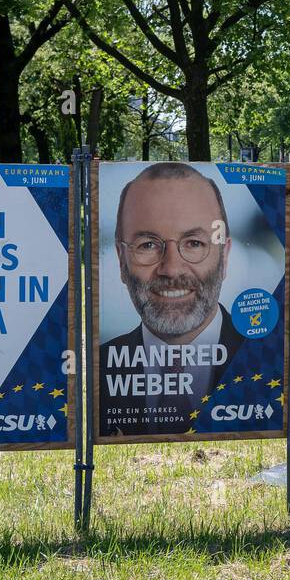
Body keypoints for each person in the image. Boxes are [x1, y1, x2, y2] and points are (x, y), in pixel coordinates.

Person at [100, 162, 242, 435]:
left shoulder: (262, 359)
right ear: (121, 260)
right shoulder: (101, 367)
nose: (172, 268)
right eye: (148, 245)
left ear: (224, 258)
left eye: (194, 243)